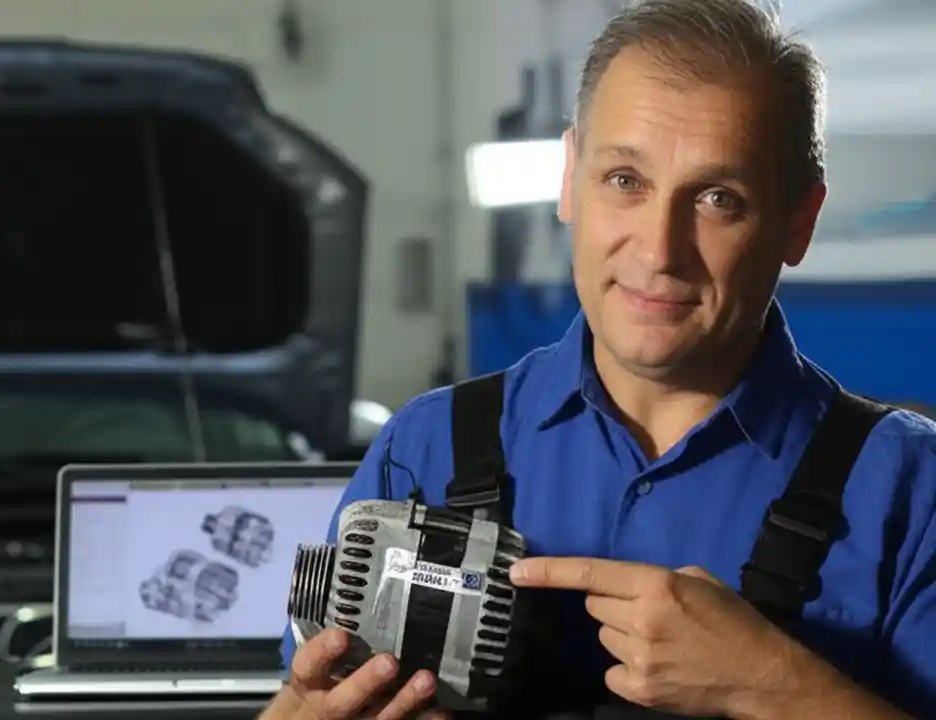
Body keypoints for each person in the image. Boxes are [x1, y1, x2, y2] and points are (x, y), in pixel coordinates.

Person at [260, 0, 936, 718]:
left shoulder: (910, 491)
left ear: (799, 222)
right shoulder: (425, 450)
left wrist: (774, 684)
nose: (658, 250)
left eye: (717, 198)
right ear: (569, 177)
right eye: (625, 181)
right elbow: (300, 699)